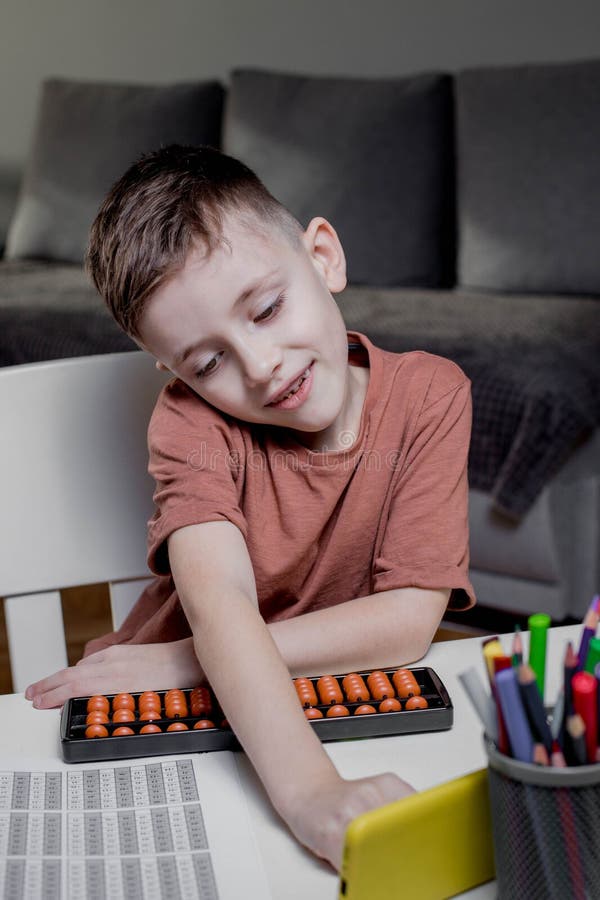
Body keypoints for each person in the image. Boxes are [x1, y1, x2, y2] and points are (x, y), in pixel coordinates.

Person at [25, 145, 475, 869]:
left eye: (266, 309)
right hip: (158, 718)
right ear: (175, 374)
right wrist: (309, 796)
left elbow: (405, 623)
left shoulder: (431, 395)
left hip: (301, 700)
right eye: (207, 363)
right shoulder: (190, 422)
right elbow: (220, 605)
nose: (261, 366)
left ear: (323, 256)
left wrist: (185, 661)